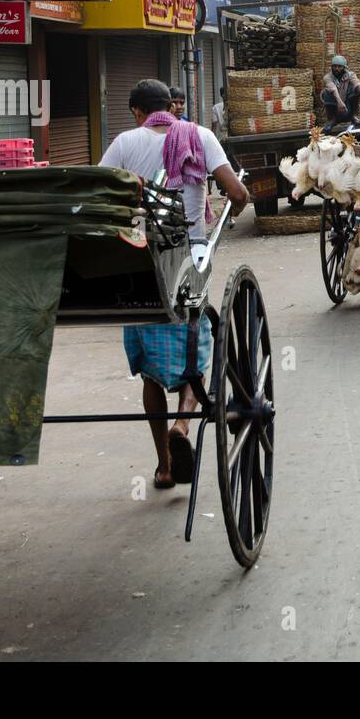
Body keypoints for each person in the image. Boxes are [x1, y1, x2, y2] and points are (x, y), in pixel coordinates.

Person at [100, 79, 250, 491]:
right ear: (171, 106)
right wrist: (234, 204)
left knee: (151, 374)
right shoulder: (199, 136)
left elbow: (99, 191)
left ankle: (164, 466)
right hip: (188, 258)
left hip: (139, 263)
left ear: (137, 112)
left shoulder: (125, 142)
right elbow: (235, 192)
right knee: (191, 345)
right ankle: (183, 423)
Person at [320, 55, 360, 129]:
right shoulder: (328, 77)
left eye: (339, 67)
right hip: (335, 104)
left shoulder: (350, 75)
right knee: (326, 92)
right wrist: (340, 102)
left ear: (344, 67)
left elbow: (357, 84)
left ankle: (353, 116)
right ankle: (332, 120)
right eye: (334, 66)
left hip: (347, 104)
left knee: (356, 89)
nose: (337, 69)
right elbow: (333, 88)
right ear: (332, 67)